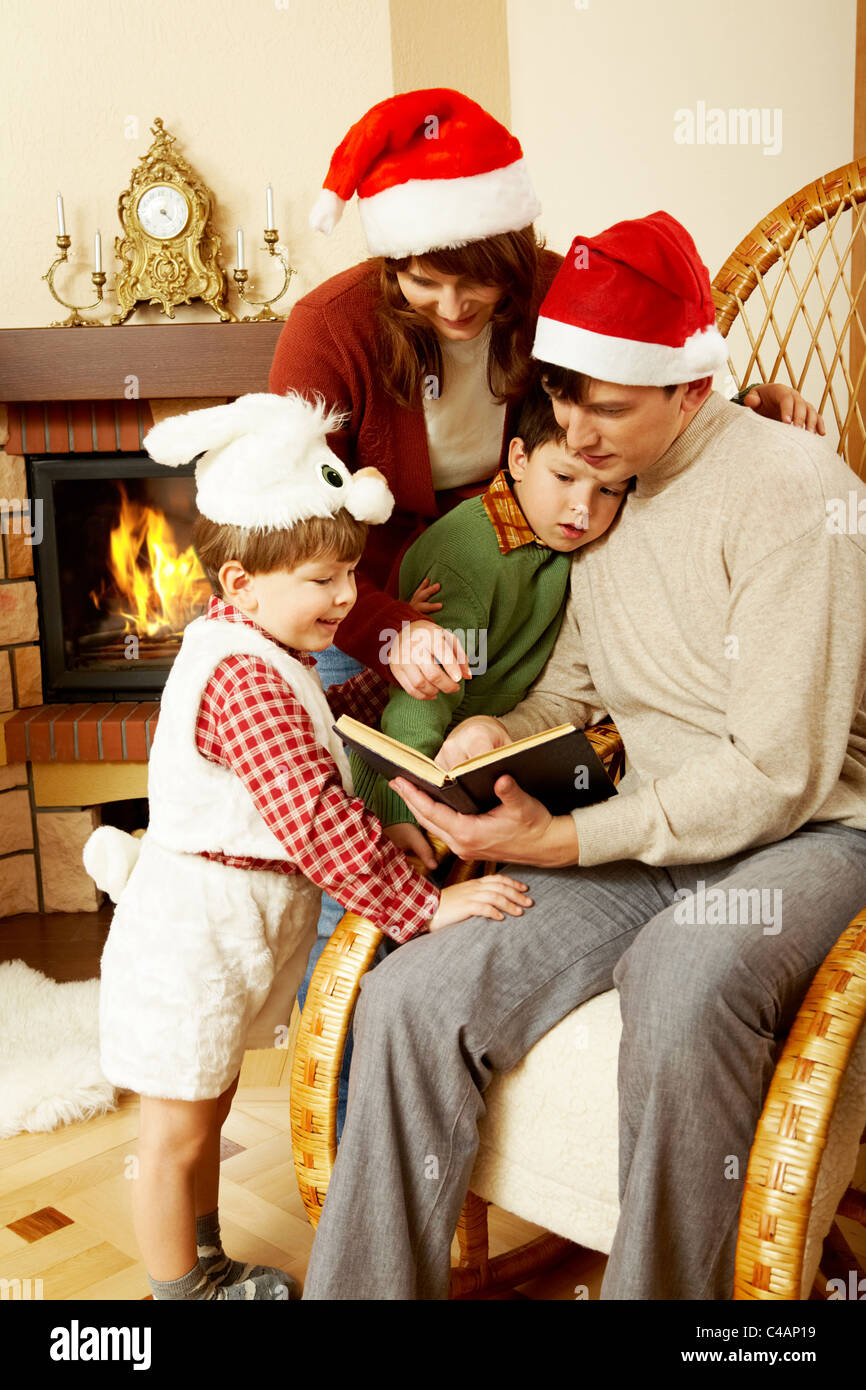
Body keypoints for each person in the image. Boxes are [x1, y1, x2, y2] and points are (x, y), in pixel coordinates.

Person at [300, 211, 866, 1300]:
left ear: (689, 389)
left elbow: (775, 771)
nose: (579, 431)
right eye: (562, 398)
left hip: (810, 832)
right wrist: (495, 737)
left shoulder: (794, 495)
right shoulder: (604, 492)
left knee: (683, 973)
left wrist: (563, 836)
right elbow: (580, 682)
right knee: (413, 994)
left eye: (606, 406)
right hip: (647, 823)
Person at [81, 392, 533, 1303]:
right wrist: (425, 905)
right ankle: (180, 1293)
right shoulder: (242, 676)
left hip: (228, 933)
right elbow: (317, 820)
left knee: (206, 1112)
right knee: (174, 1134)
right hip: (195, 939)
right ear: (242, 582)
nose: (345, 598)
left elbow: (317, 731)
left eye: (351, 575)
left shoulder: (262, 646)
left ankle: (204, 1263)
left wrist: (401, 739)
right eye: (323, 581)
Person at [270, 87, 819, 703]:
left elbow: (643, 392)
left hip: (531, 588)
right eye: (424, 282)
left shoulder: (557, 292)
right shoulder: (328, 329)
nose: (453, 309)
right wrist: (389, 629)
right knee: (368, 771)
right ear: (391, 263)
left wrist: (741, 408)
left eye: (478, 283)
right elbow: (297, 516)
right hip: (365, 604)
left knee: (504, 761)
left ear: (515, 258)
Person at [352, 376, 632, 866]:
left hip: (488, 760)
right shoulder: (468, 560)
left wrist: (756, 398)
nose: (583, 508)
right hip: (413, 768)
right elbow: (423, 697)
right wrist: (399, 810)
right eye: (564, 478)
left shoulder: (557, 534)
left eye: (608, 489)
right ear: (519, 459)